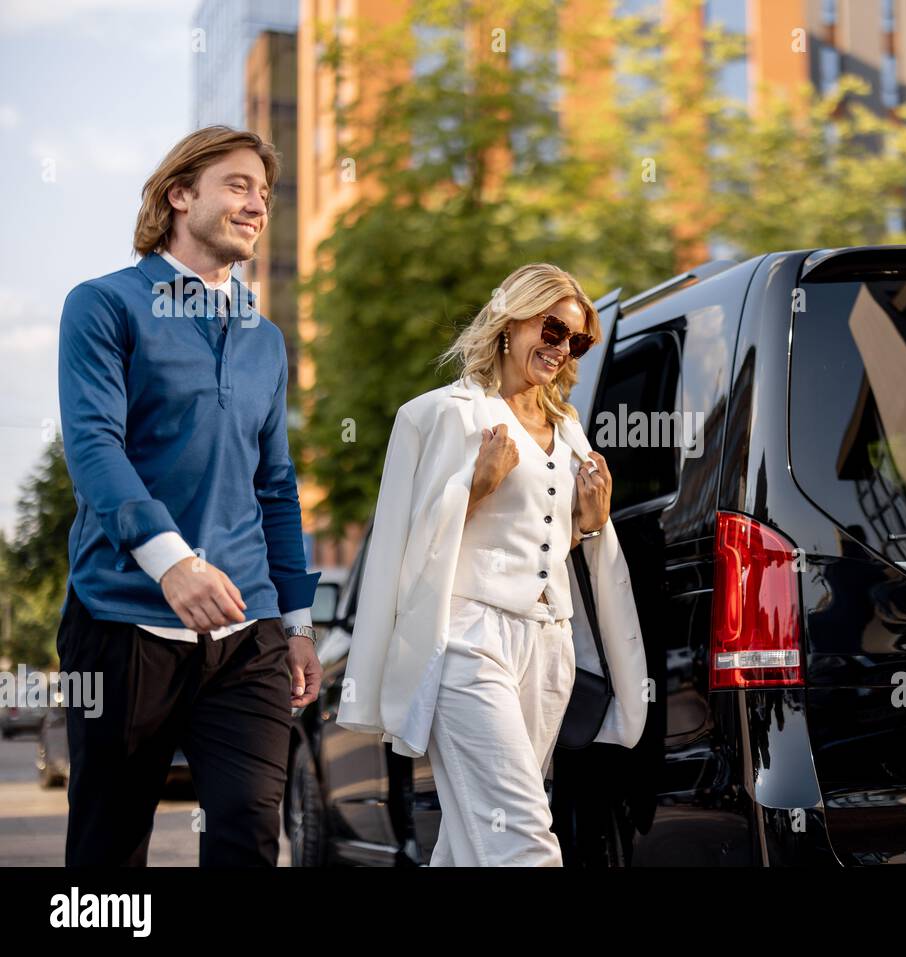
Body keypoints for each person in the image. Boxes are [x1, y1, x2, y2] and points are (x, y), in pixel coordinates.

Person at [55, 126, 321, 866]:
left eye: (264, 194)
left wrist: (295, 619)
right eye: (238, 185)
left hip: (248, 633)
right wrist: (172, 562)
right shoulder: (103, 306)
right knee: (108, 848)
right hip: (121, 620)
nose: (257, 204)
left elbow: (274, 486)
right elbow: (95, 448)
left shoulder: (265, 339)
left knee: (247, 829)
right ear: (179, 194)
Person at [336, 263, 648, 866]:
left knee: (473, 837)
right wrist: (472, 487)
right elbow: (398, 545)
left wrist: (593, 522)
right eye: (551, 329)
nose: (561, 348)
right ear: (510, 322)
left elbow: (562, 542)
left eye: (576, 340)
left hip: (549, 647)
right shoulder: (436, 415)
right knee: (524, 840)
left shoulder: (570, 429)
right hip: (467, 640)